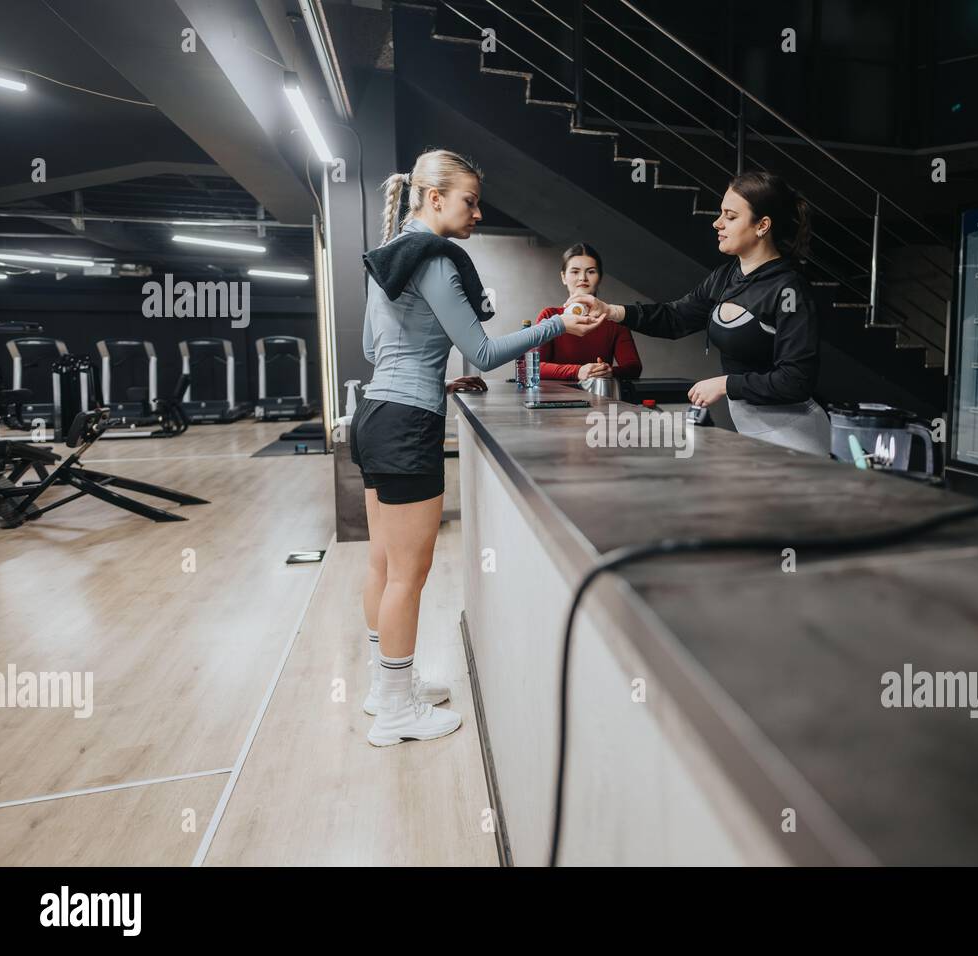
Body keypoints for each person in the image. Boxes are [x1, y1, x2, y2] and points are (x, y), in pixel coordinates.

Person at [351, 149, 601, 747]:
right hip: (408, 423)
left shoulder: (388, 257)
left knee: (383, 567)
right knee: (407, 576)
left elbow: (372, 348)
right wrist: (560, 324)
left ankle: (384, 689)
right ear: (434, 199)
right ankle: (395, 712)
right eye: (469, 200)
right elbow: (485, 353)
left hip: (374, 414)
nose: (478, 212)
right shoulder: (435, 259)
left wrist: (433, 377)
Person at [565, 170, 830, 456]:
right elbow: (675, 318)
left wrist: (726, 384)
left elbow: (796, 381)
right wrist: (611, 310)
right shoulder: (726, 277)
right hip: (755, 433)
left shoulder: (789, 289)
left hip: (797, 436)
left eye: (730, 216)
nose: (718, 224)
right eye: (720, 214)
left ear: (762, 225)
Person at [533, 242, 642, 382]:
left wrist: (609, 371)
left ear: (600, 277)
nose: (582, 278)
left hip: (600, 399)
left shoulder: (614, 318)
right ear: (563, 277)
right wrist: (577, 371)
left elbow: (633, 368)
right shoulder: (549, 316)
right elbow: (534, 367)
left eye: (591, 271)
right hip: (554, 399)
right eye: (575, 271)